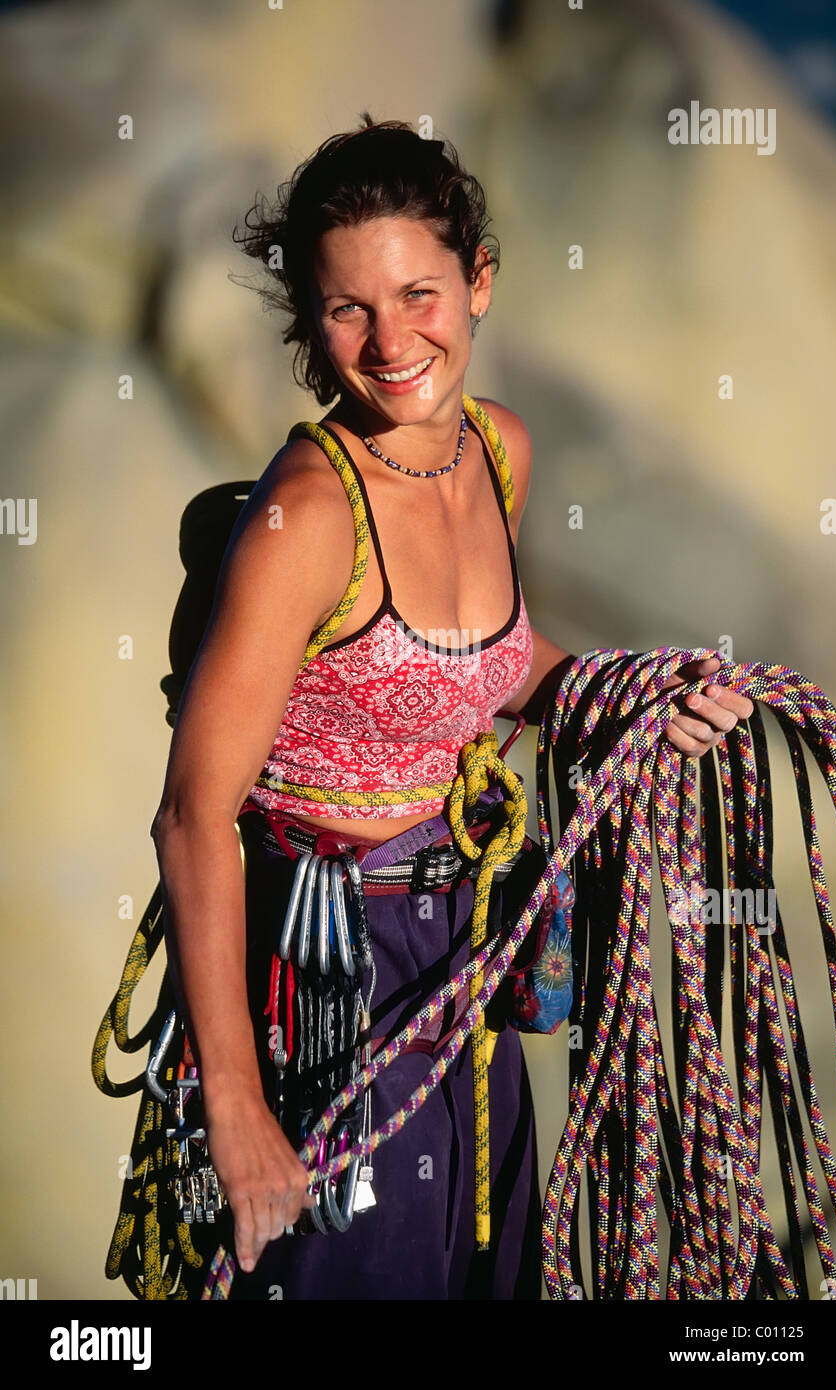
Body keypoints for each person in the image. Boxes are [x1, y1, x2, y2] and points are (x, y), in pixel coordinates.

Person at [149, 114, 753, 1300]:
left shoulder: (497, 448)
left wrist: (621, 695)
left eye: (417, 293)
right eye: (347, 310)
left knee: (481, 1269)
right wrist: (236, 1105)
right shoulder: (309, 518)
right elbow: (189, 815)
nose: (388, 342)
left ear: (477, 284)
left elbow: (488, 663)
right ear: (310, 328)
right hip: (319, 968)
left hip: (458, 945)